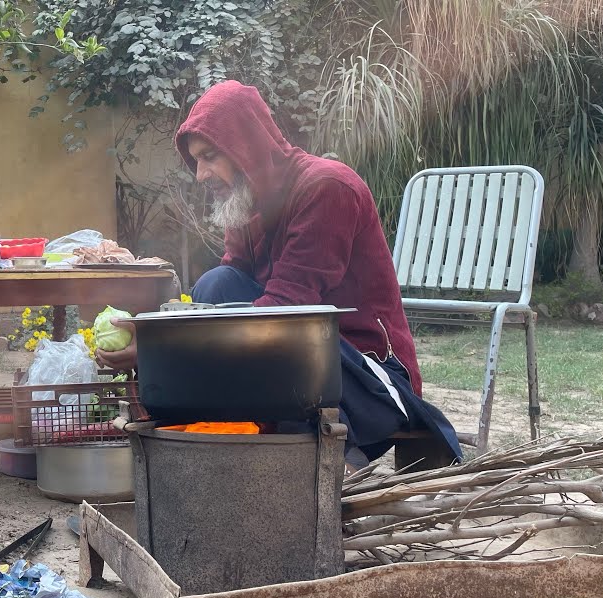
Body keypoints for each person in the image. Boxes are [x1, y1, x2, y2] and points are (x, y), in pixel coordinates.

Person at [96, 80, 460, 466]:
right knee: (216, 285)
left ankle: (318, 463)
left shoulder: (327, 187)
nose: (201, 174)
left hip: (364, 375)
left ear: (247, 147)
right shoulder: (246, 200)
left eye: (210, 156)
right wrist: (155, 342)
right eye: (196, 161)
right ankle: (240, 445)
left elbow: (284, 312)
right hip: (293, 360)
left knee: (245, 314)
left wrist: (167, 351)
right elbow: (228, 294)